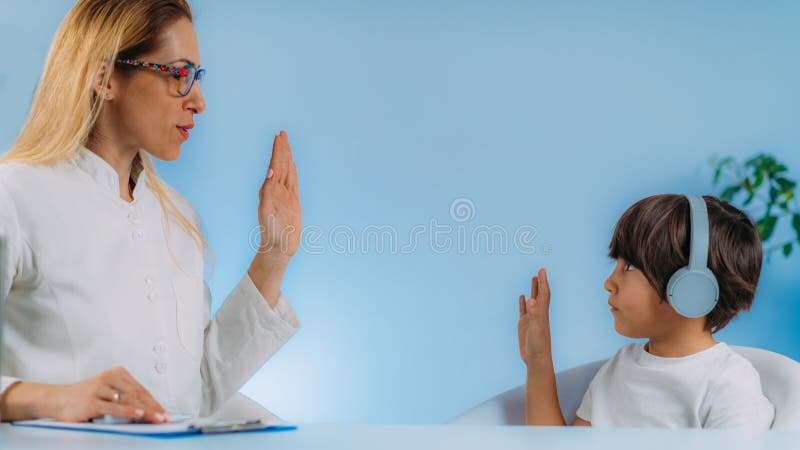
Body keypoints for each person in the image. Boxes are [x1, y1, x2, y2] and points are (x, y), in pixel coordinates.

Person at [0, 0, 302, 423]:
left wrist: (274, 254)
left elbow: (194, 394)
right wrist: (52, 399)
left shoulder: (178, 219)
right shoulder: (14, 196)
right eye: (180, 75)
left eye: (197, 77)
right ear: (104, 77)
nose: (199, 101)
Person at [517, 194, 775, 428]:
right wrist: (538, 359)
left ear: (691, 288)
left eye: (628, 267)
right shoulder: (619, 368)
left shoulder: (728, 385)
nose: (608, 283)